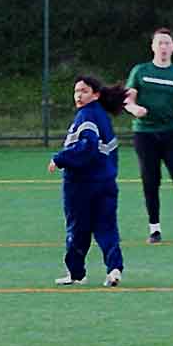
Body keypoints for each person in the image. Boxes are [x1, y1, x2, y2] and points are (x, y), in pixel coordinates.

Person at [122, 27, 173, 244]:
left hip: (171, 133)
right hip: (145, 134)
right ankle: (154, 229)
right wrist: (134, 109)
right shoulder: (140, 71)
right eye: (159, 43)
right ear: (152, 46)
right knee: (151, 181)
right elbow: (128, 99)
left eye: (167, 43)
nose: (163, 47)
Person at [49, 76, 127, 286]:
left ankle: (76, 273)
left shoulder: (86, 116)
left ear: (96, 94)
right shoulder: (102, 116)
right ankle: (114, 268)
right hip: (106, 184)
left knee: (77, 229)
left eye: (84, 91)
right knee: (107, 228)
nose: (78, 95)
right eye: (76, 91)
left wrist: (60, 158)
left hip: (81, 185)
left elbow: (88, 147)